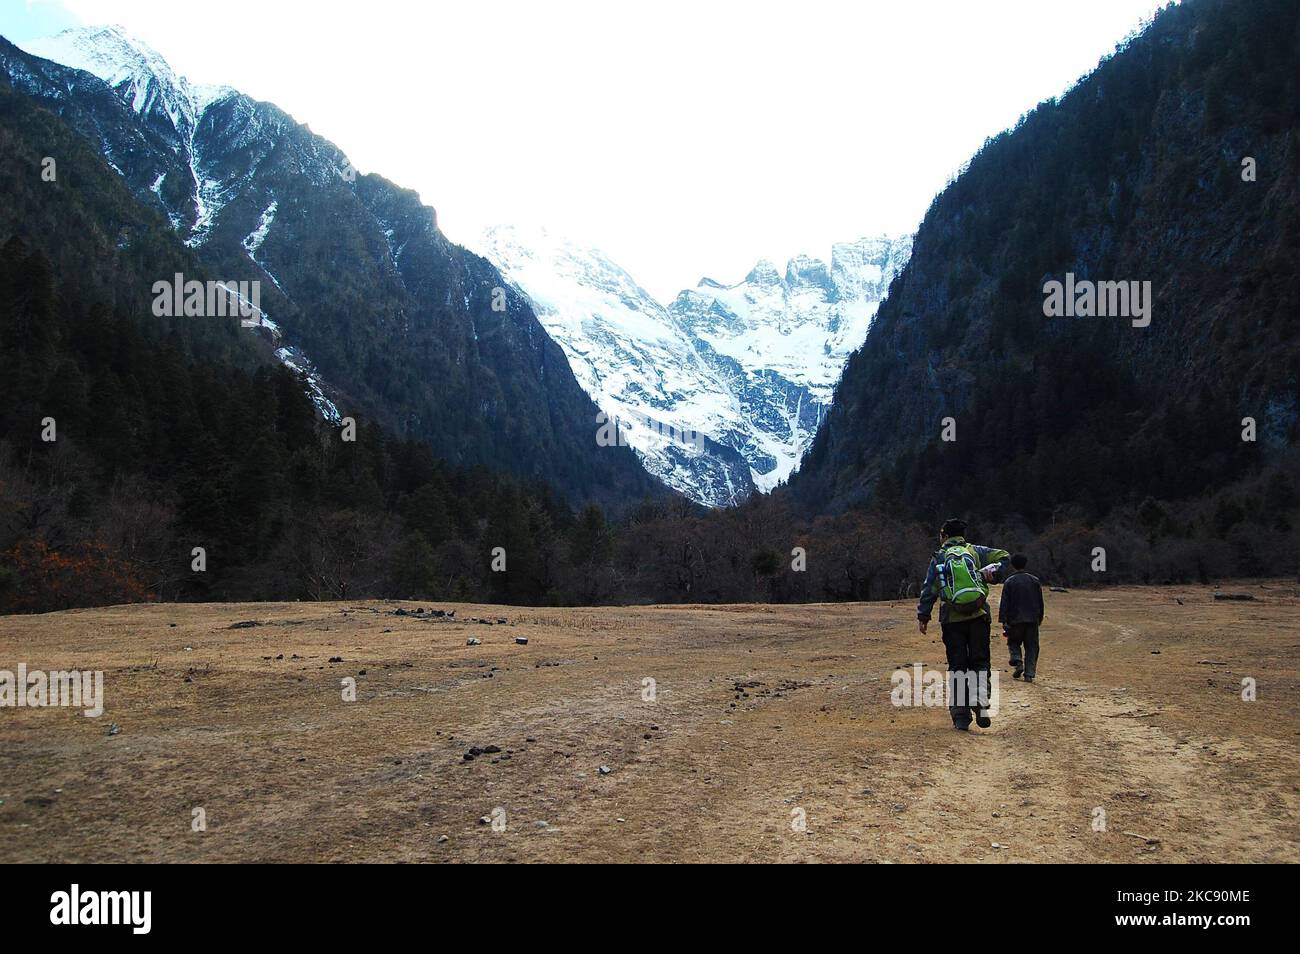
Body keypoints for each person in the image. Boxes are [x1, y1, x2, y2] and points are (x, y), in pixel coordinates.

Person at [917, 518, 1010, 730]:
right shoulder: (976, 551)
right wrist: (994, 573)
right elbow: (1005, 556)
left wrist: (923, 616)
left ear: (944, 536)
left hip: (952, 619)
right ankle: (981, 703)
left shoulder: (939, 557)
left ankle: (961, 716)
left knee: (957, 665)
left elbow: (929, 588)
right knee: (980, 661)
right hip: (978, 615)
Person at [999, 553, 1044, 682]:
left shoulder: (1009, 582)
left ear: (1012, 565)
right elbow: (1040, 601)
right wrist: (1039, 617)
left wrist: (1004, 620)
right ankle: (1029, 673)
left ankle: (1017, 660)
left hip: (1015, 619)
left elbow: (1005, 603)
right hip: (1032, 619)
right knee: (1032, 646)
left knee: (1013, 642)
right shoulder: (1035, 580)